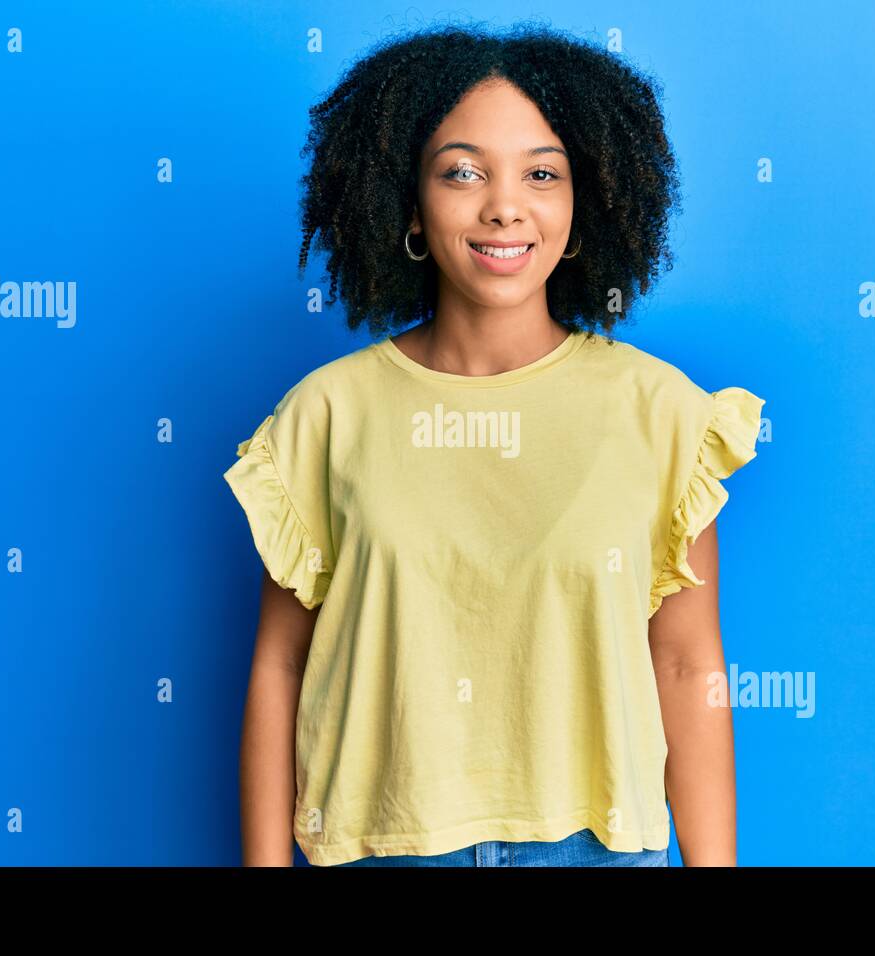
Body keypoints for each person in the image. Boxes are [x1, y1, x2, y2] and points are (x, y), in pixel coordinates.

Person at [225, 22, 765, 868]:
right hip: (379, 849)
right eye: (463, 172)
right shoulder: (325, 417)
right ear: (409, 203)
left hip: (600, 852)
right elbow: (279, 668)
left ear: (584, 204)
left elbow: (688, 664)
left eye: (542, 173)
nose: (504, 204)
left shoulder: (661, 414)